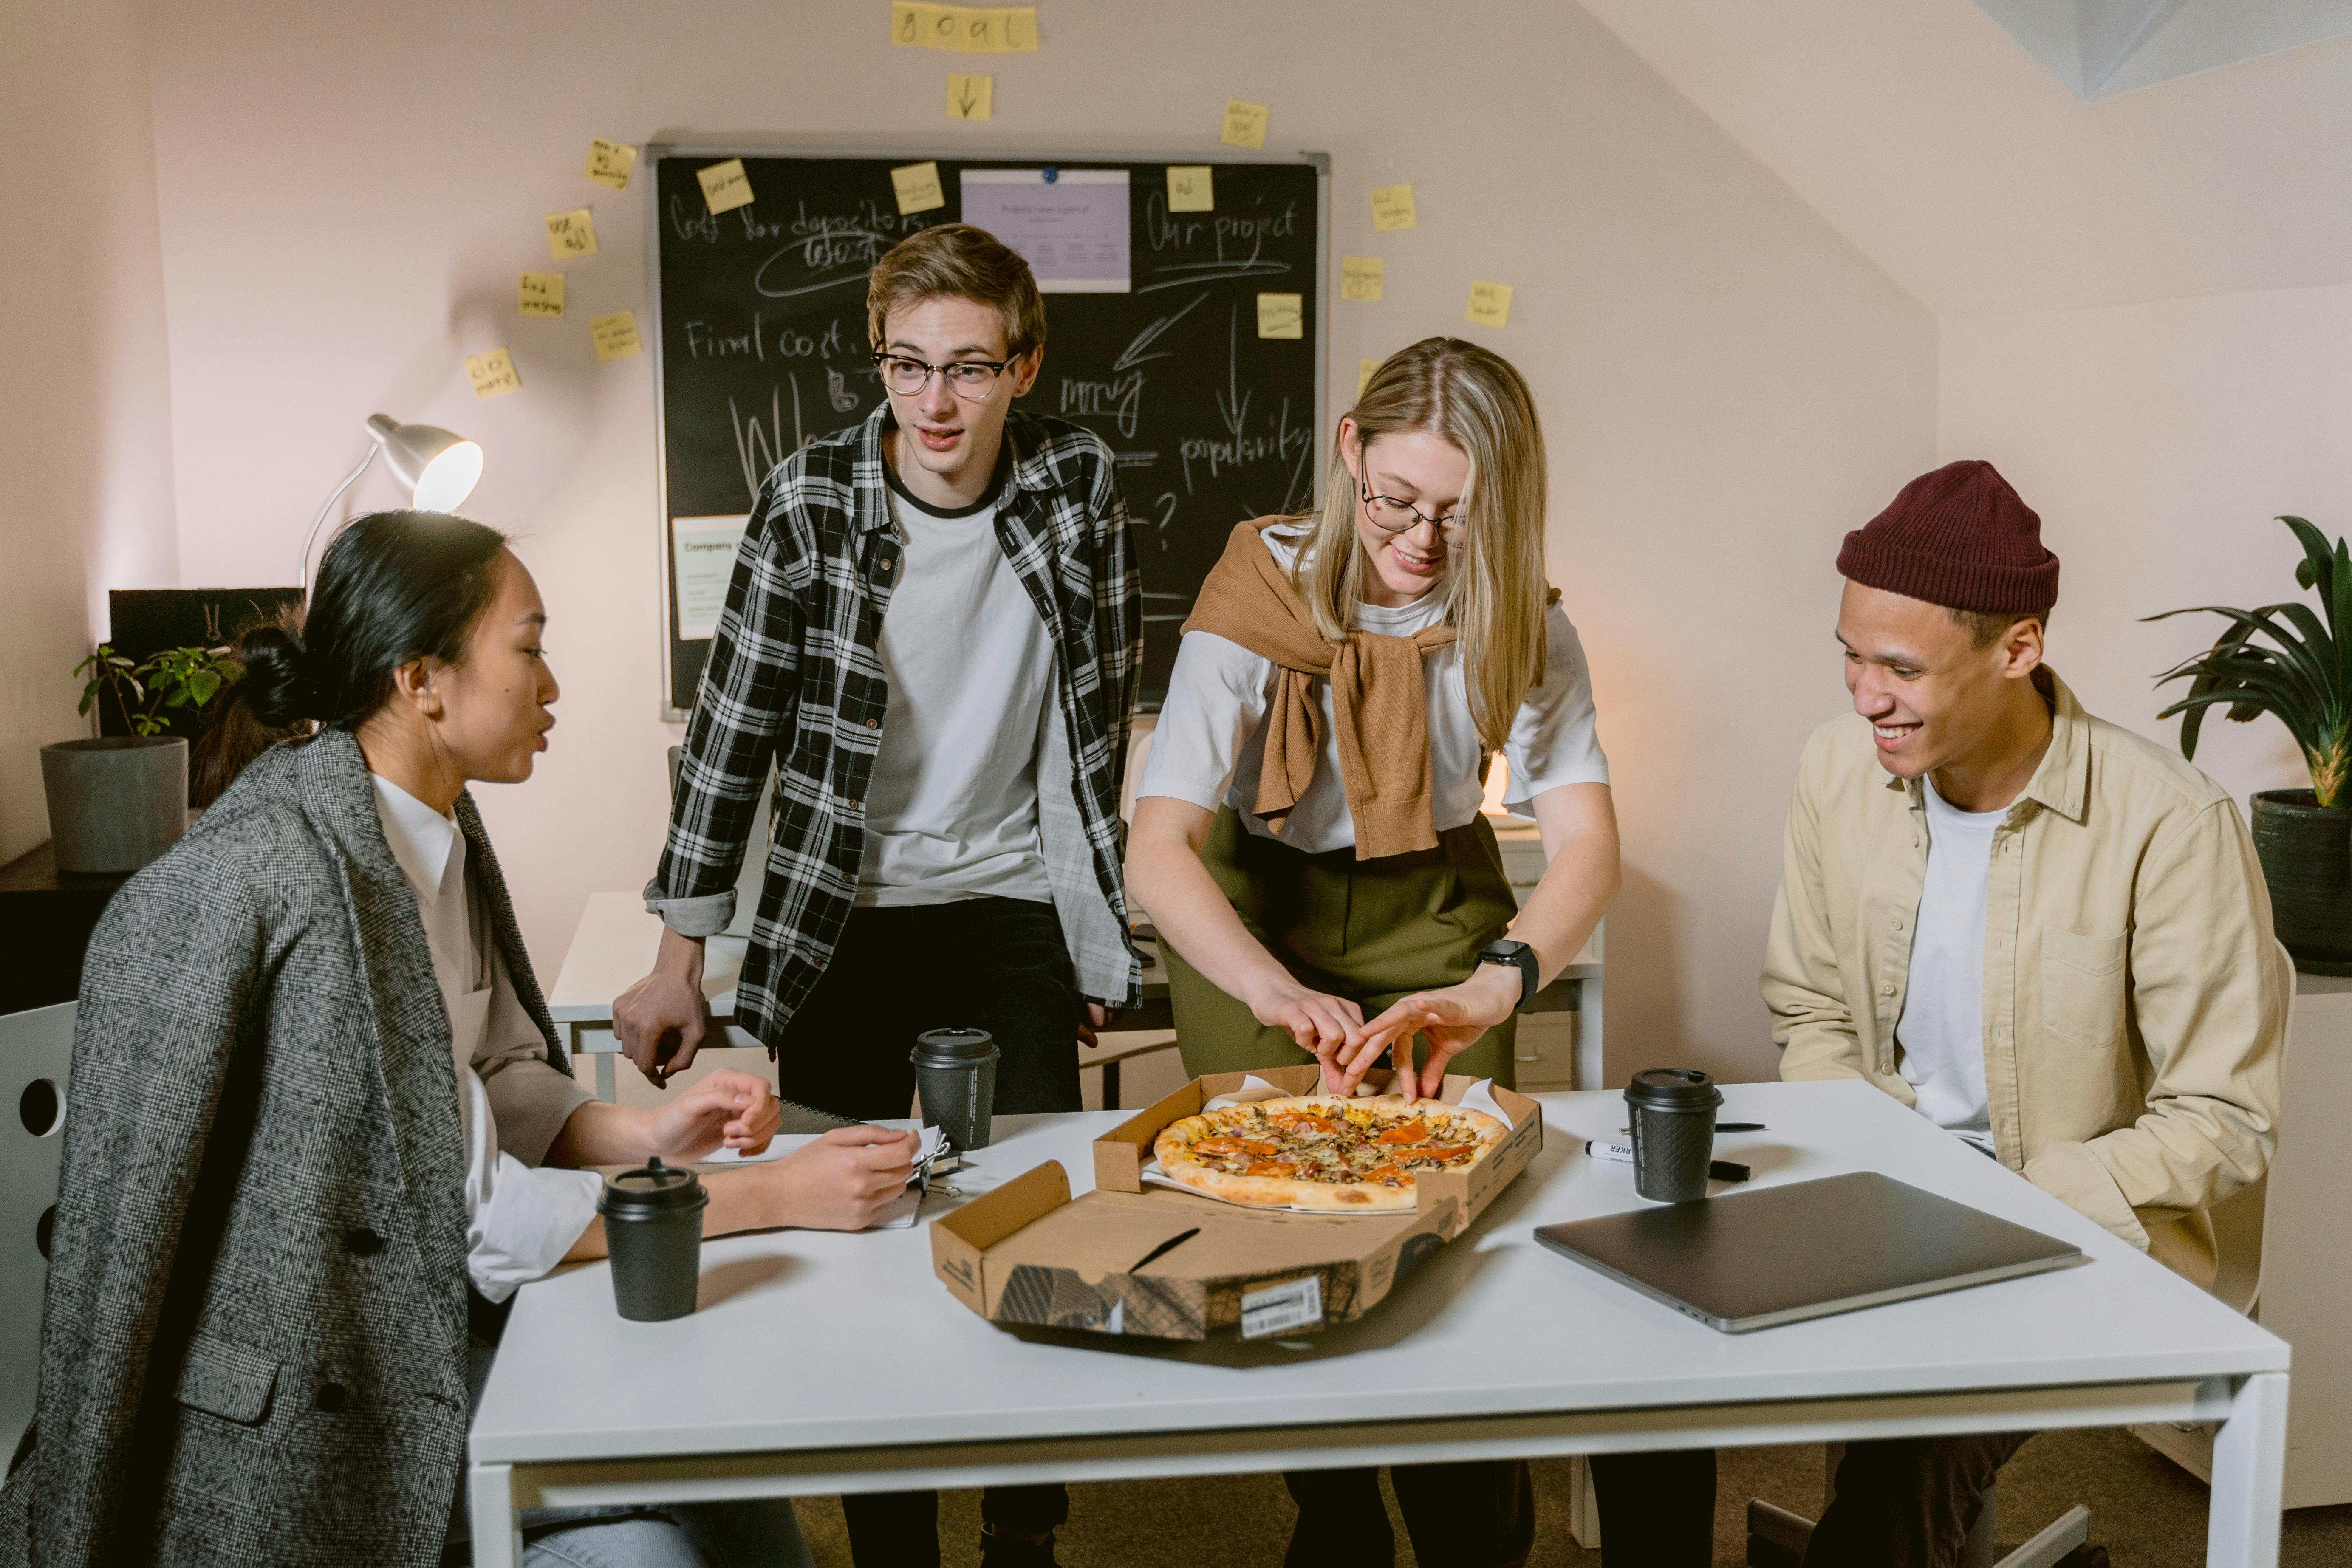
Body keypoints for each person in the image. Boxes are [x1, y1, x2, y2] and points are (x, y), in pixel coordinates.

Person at [0, 512, 919, 1568]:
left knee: (732, 1469)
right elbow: (479, 1219)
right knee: (673, 1507)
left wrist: (645, 1133)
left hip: (433, 1326)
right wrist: (773, 1195)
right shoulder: (290, 873)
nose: (552, 684)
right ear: (422, 678)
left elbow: (486, 1072)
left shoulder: (429, 828)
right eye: (528, 647)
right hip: (313, 1409)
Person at [1589, 460, 2288, 1566]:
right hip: (1879, 1198)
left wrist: (1997, 1196)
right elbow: (1811, 1008)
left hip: (2078, 1232)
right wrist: (1884, 1164)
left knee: (1913, 1455)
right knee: (1630, 1343)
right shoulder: (1836, 768)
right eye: (1852, 655)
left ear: (2019, 649)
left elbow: (2223, 1117)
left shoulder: (2171, 823)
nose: (1865, 695)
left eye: (1901, 667)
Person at [613, 223, 1141, 1568]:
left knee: (1032, 1219)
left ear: (1024, 365)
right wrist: (681, 960)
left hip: (1011, 900)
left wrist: (1089, 927)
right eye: (907, 366)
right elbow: (731, 734)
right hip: (842, 911)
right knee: (856, 1229)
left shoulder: (1076, 487)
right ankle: (893, 1535)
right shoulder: (809, 501)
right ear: (880, 361)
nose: (936, 403)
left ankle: (1024, 1530)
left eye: (969, 367)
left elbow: (1095, 726)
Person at [1126, 338, 1620, 1568]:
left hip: (1437, 906)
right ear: (1350, 453)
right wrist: (1271, 988)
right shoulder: (1256, 600)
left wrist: (1496, 978)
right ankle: (1335, 1514)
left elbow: (1588, 851)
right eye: (1397, 500)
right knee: (1279, 1217)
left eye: (1460, 513)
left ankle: (1476, 1530)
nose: (1421, 538)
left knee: (1458, 1215)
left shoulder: (1522, 621)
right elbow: (1159, 850)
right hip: (1258, 913)